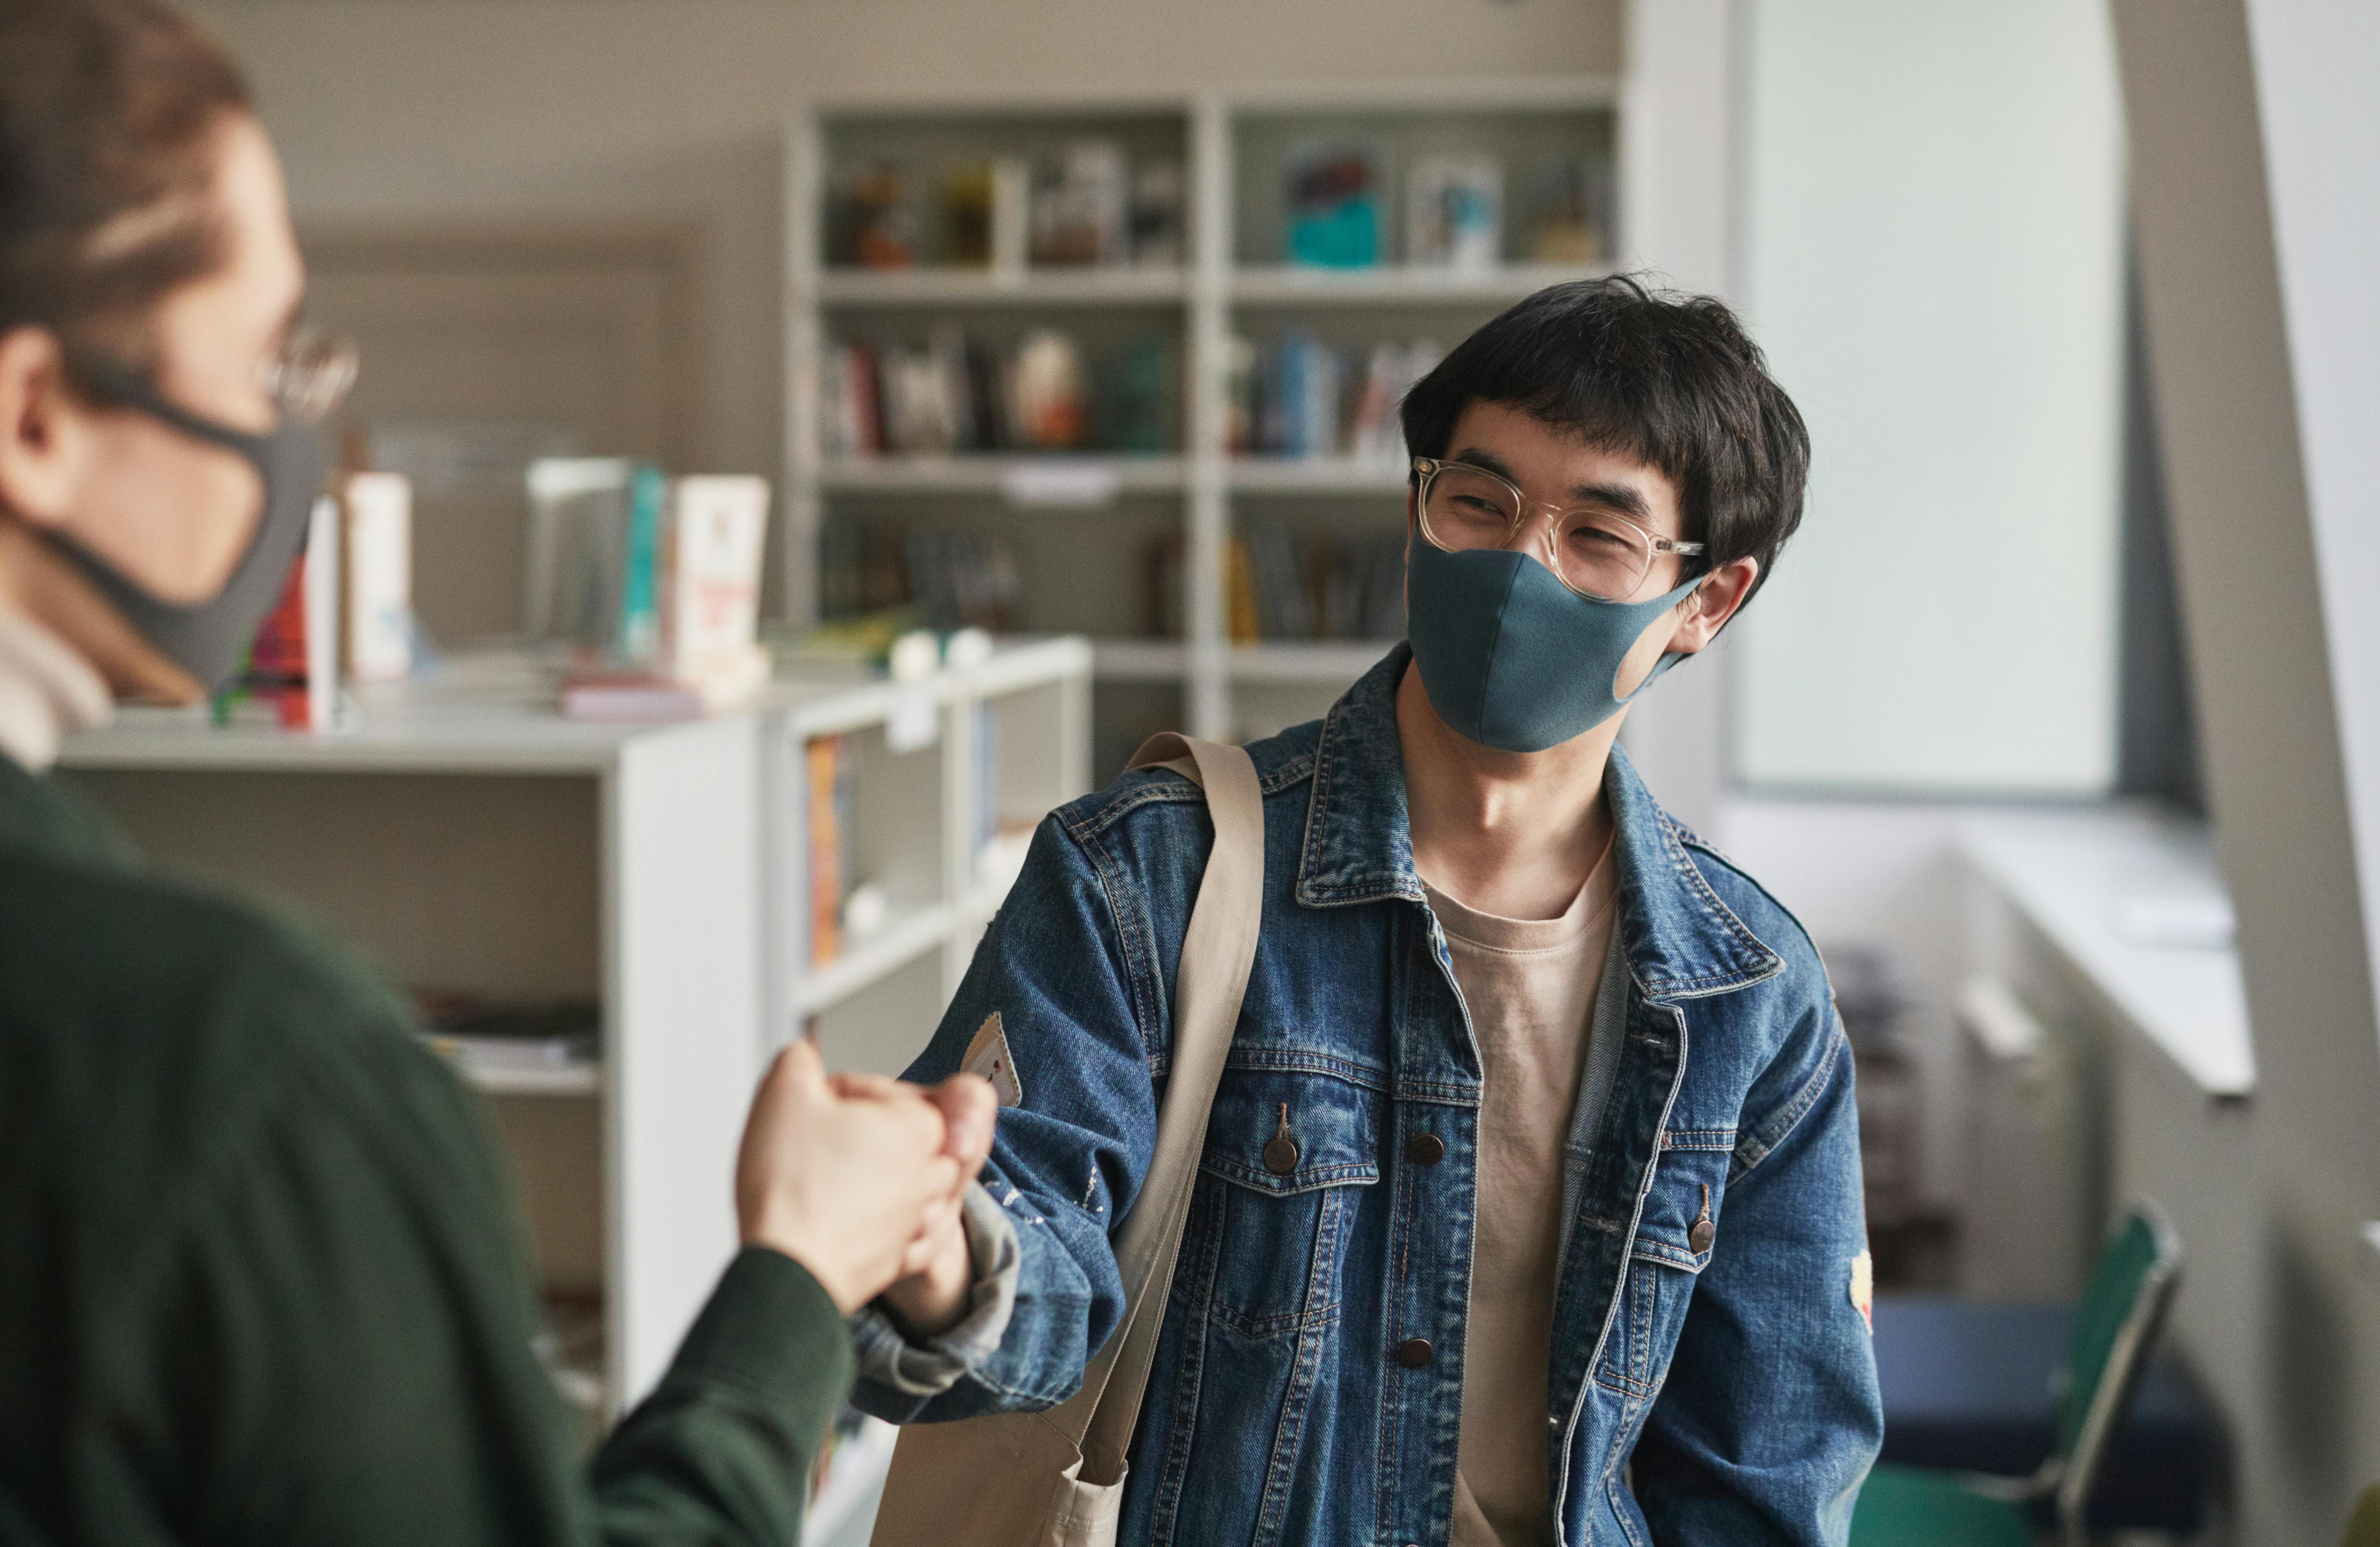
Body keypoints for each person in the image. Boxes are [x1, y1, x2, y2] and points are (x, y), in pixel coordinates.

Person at [0, 3, 994, 1541]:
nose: (295, 434)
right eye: (271, 362)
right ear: (35, 417)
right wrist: (798, 1277)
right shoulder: (251, 1077)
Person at [849, 277, 1885, 1545]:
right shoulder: (1150, 874)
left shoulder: (1750, 997)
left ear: (1704, 604)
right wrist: (940, 1255)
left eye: (1599, 535)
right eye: (1479, 501)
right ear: (1416, 511)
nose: (1519, 567)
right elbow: (1032, 1223)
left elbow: (1764, 1479)